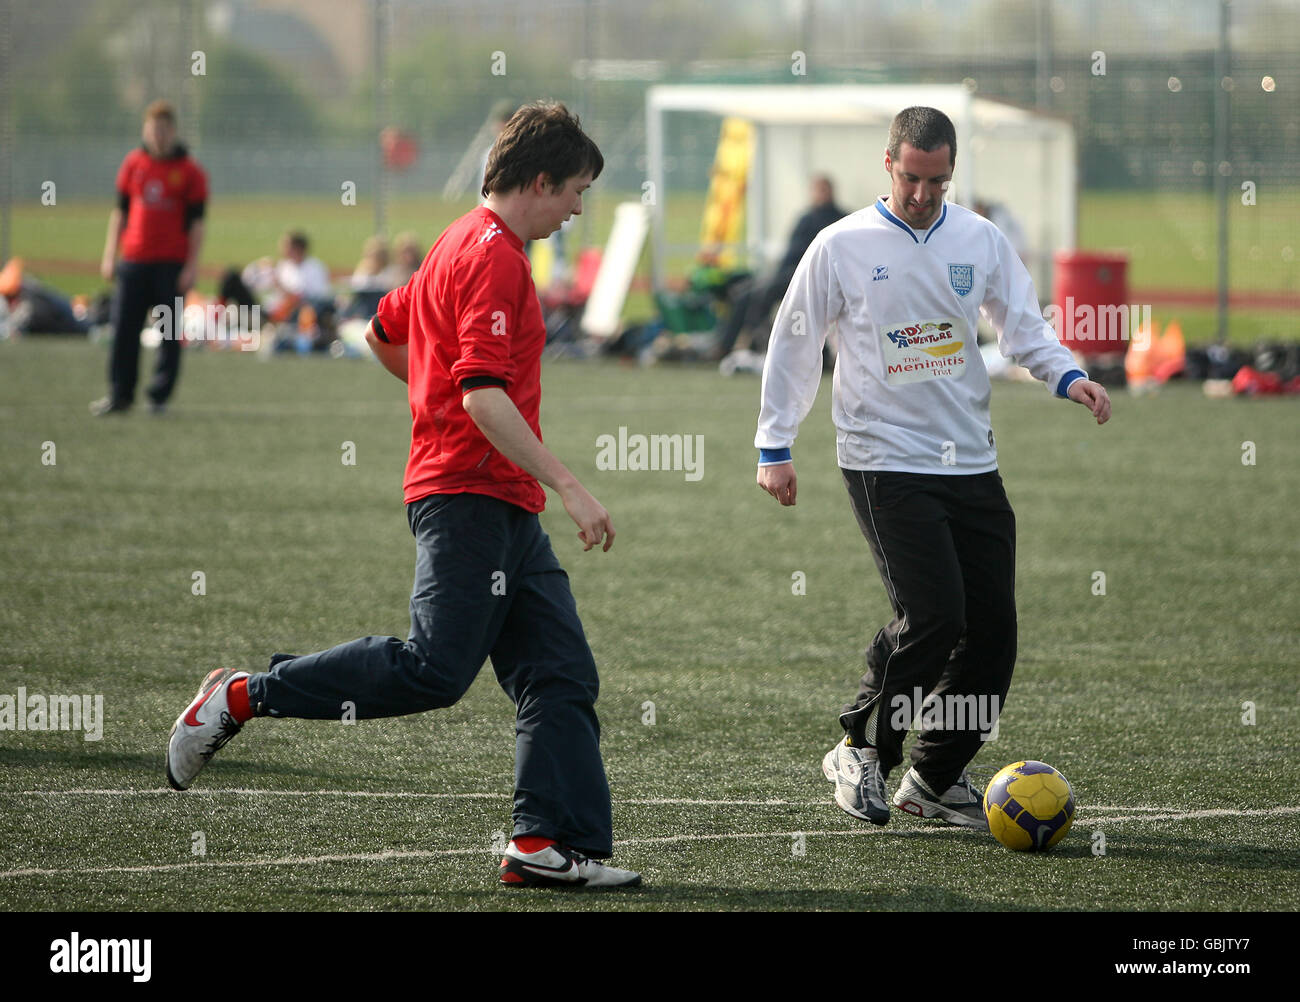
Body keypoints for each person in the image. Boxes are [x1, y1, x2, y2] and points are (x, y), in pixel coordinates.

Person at [164, 101, 641, 889]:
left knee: (559, 673)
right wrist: (571, 486)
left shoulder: (459, 239)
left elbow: (386, 334)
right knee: (432, 670)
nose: (579, 210)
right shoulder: (491, 255)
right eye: (575, 192)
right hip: (469, 494)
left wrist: (437, 399)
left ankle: (548, 845)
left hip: (499, 499)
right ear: (541, 180)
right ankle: (244, 696)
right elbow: (483, 396)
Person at [755, 106, 1111, 829]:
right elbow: (794, 340)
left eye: (938, 181)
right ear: (889, 164)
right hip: (882, 460)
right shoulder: (841, 244)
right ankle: (860, 744)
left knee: (993, 628)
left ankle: (934, 776)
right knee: (933, 613)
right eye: (913, 178)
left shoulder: (979, 240)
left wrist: (1067, 376)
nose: (923, 194)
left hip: (970, 462)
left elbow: (1023, 325)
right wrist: (775, 444)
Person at [93, 100, 207, 415]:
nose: (157, 136)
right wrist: (109, 255)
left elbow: (197, 224)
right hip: (134, 260)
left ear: (172, 132)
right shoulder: (133, 164)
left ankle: (159, 396)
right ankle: (120, 395)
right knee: (124, 329)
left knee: (169, 332)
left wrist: (191, 266)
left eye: (163, 130)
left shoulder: (189, 171)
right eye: (152, 130)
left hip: (170, 264)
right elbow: (120, 212)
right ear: (146, 130)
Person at [715, 174, 846, 359]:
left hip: (808, 276)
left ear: (831, 191)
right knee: (742, 292)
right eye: (817, 189)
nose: (821, 194)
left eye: (824, 189)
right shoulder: (806, 218)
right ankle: (725, 345)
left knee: (761, 294)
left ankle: (762, 342)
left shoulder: (840, 219)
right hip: (786, 273)